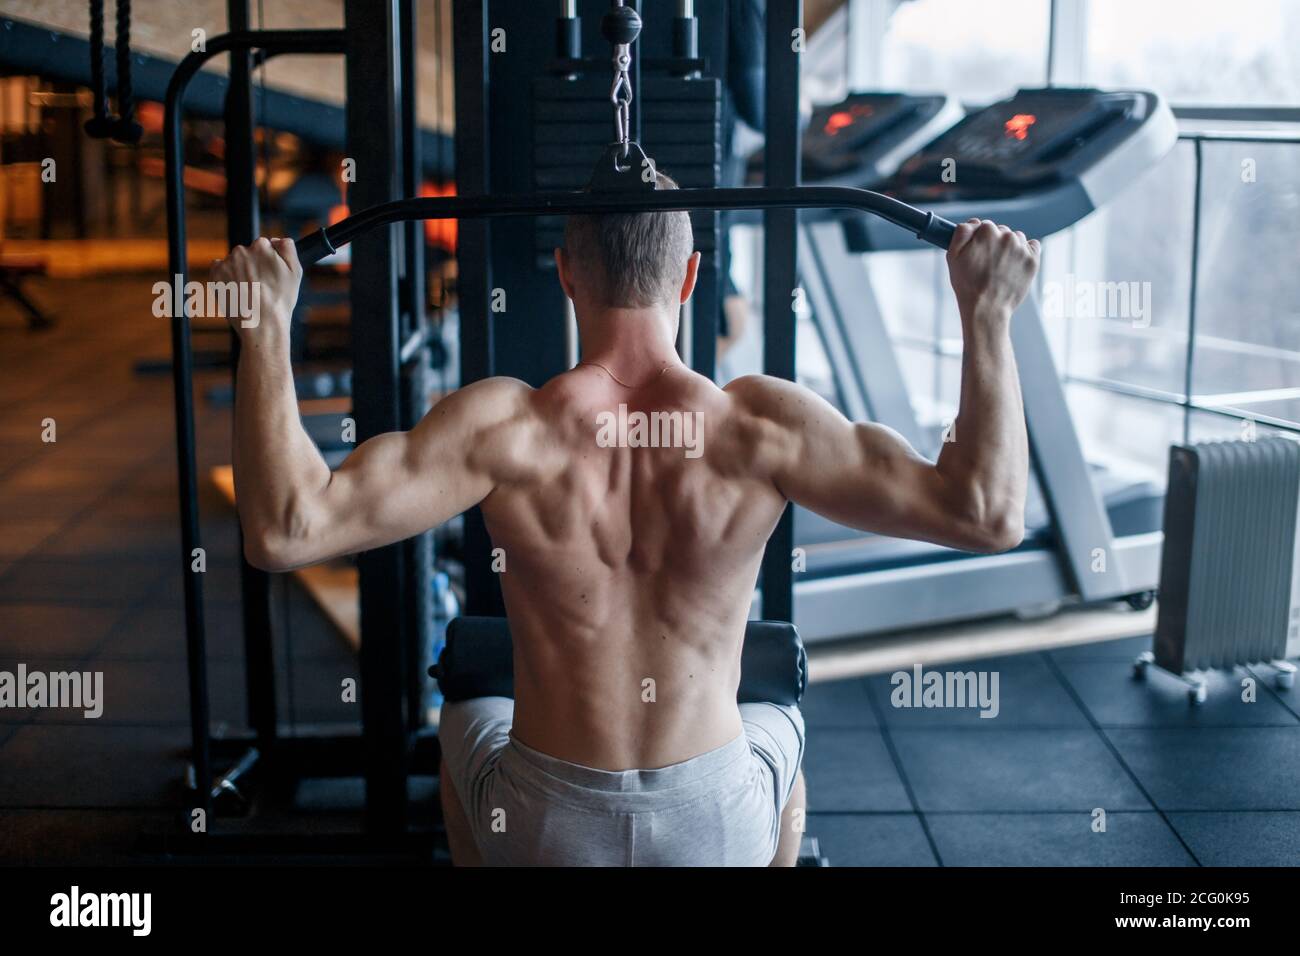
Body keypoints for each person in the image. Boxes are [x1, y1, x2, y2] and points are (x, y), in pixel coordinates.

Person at [212, 173, 1037, 867]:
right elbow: (988, 514)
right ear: (690, 278)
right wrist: (986, 315)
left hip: (543, 820)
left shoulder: (506, 426)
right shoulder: (763, 425)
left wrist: (266, 329)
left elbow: (286, 531)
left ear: (566, 273)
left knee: (464, 717)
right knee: (779, 720)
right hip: (713, 818)